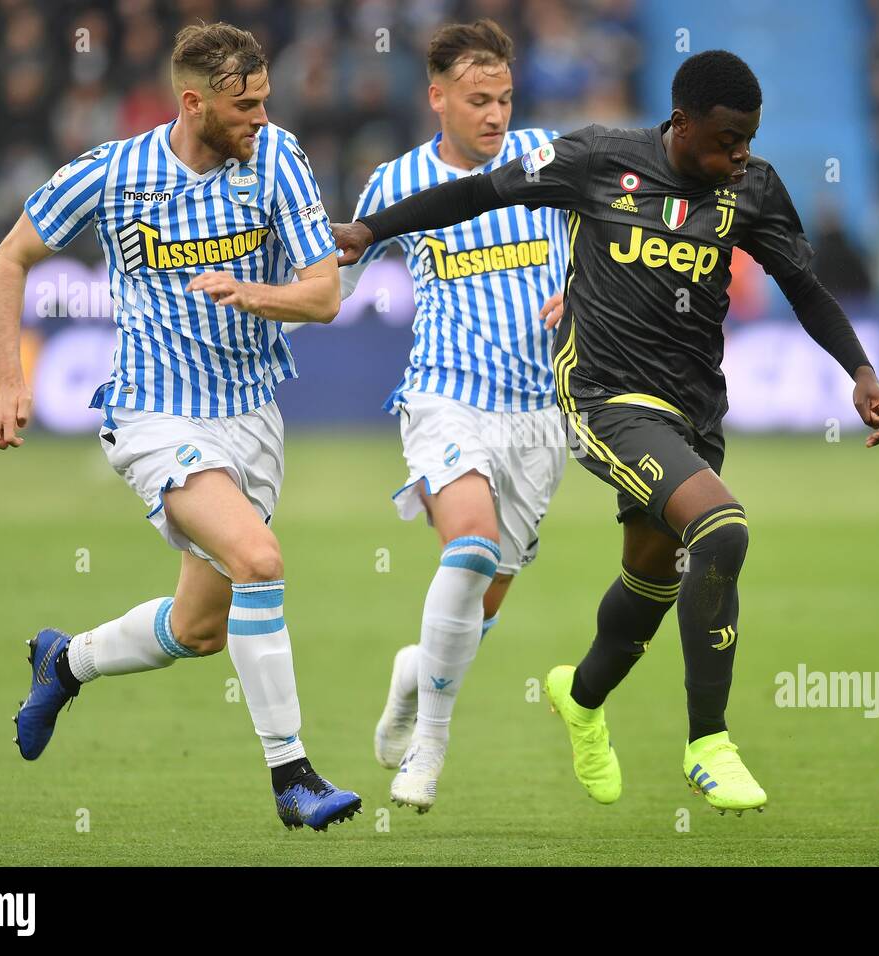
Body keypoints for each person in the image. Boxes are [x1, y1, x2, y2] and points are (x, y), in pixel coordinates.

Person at [331, 50, 879, 814]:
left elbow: (803, 285)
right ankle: (709, 743)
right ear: (681, 123)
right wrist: (371, 228)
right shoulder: (600, 158)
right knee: (722, 529)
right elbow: (476, 193)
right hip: (602, 396)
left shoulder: (753, 189)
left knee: (654, 577)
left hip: (693, 407)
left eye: (749, 139)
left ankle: (581, 697)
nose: (740, 154)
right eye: (727, 140)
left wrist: (860, 371)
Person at [0, 22, 361, 832]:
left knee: (199, 629)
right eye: (245, 105)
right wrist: (10, 381)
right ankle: (292, 776)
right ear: (193, 104)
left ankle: (66, 660)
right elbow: (10, 257)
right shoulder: (115, 171)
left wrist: (250, 292)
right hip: (153, 411)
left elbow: (325, 295)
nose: (261, 117)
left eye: (265, 100)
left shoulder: (278, 158)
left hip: (252, 416)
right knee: (259, 560)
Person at [285, 19, 568, 813]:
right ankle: (431, 746)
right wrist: (258, 301)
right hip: (446, 395)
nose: (495, 114)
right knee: (470, 549)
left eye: (504, 98)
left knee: (482, 603)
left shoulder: (547, 159)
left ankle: (417, 669)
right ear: (437, 97)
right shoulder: (395, 183)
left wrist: (582, 289)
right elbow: (331, 288)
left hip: (539, 416)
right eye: (478, 100)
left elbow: (611, 239)